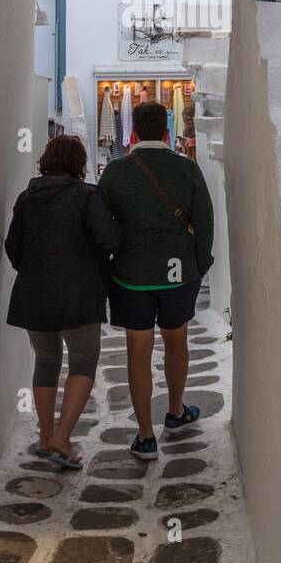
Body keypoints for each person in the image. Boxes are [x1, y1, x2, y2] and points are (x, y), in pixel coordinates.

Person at [97, 101, 214, 460]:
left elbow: (103, 226)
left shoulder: (116, 172)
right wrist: (200, 263)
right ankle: (176, 411)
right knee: (176, 341)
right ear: (166, 131)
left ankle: (145, 434)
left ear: (133, 130)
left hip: (132, 275)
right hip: (179, 273)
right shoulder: (187, 168)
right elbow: (205, 220)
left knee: (138, 351)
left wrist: (113, 262)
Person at [4, 135, 120, 469]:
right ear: (78, 164)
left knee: (46, 360)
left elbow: (13, 247)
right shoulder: (86, 196)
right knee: (83, 361)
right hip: (79, 291)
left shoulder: (27, 198)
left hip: (34, 292)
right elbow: (108, 238)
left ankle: (44, 436)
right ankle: (62, 437)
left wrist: (36, 270)